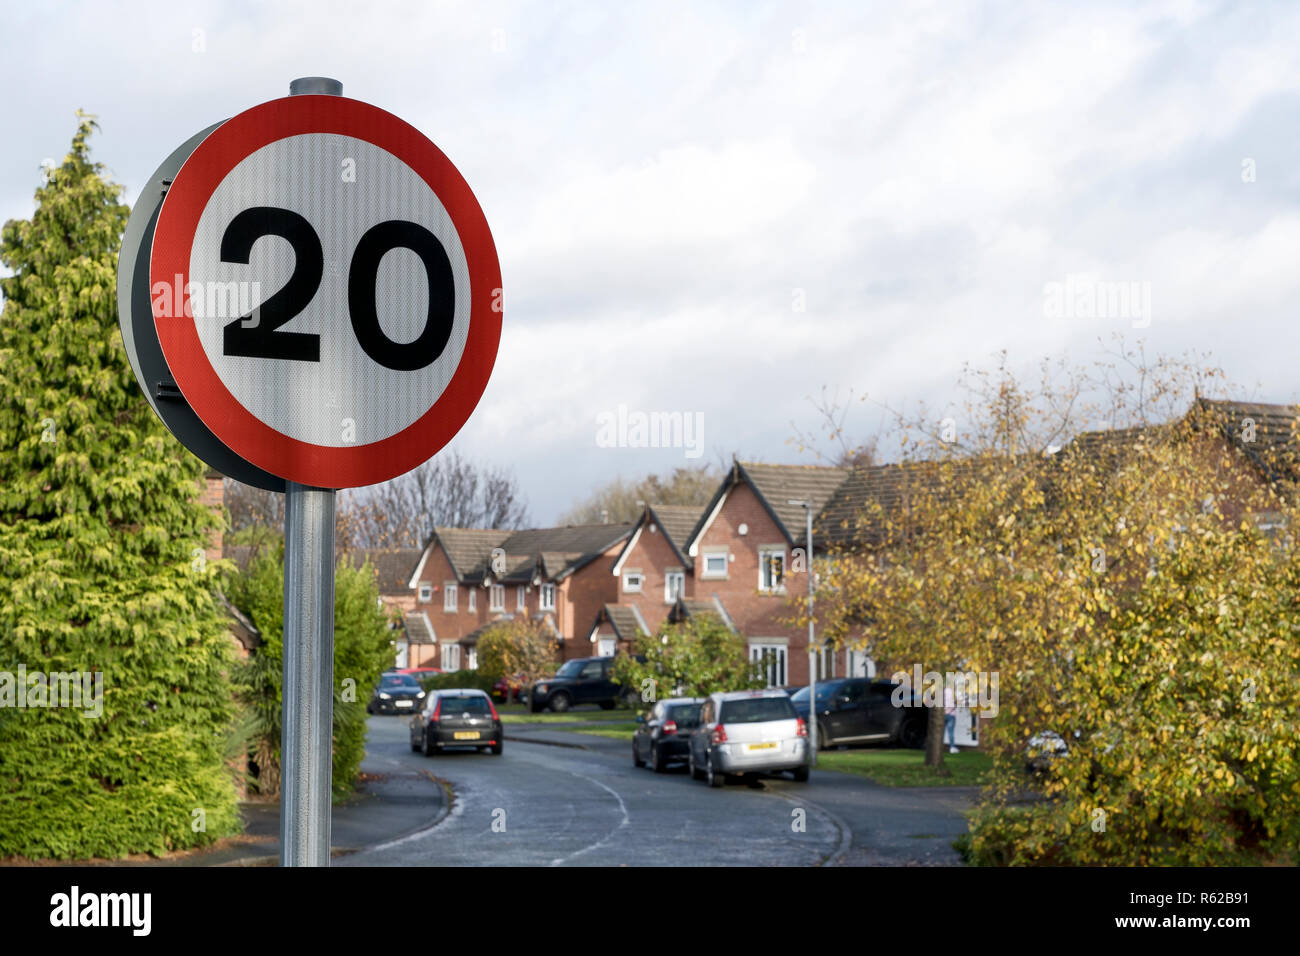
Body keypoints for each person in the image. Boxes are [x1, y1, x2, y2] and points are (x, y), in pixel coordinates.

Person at [943, 679, 959, 754]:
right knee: (951, 732)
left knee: (941, 732)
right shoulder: (954, 692)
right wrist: (952, 708)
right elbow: (956, 702)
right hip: (951, 714)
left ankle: (939, 747)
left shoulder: (943, 691)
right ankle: (952, 747)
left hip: (943, 714)